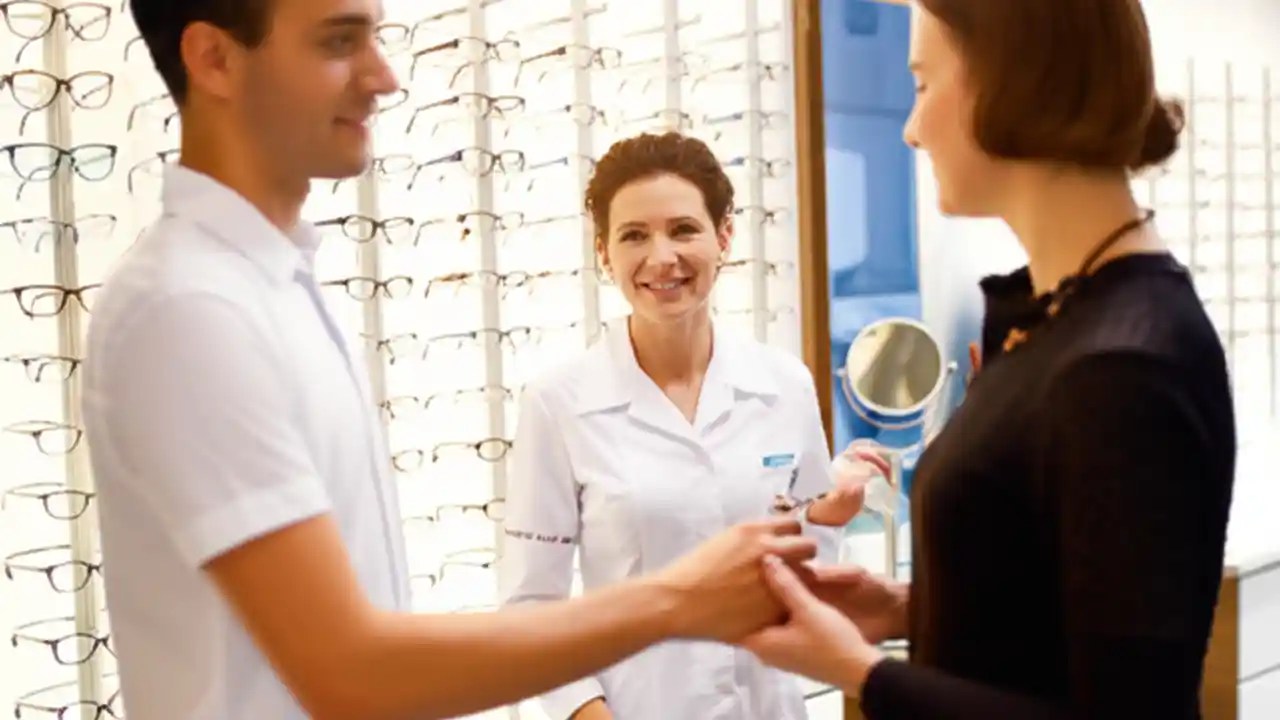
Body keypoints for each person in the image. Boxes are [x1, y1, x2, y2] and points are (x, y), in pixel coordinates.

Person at [79, 2, 822, 718]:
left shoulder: (281, 291)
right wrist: (680, 601)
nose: (385, 76)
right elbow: (350, 672)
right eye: (338, 42)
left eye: (375, 37)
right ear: (215, 59)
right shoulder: (189, 309)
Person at [736, 1, 1238, 719]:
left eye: (922, 85)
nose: (911, 129)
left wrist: (860, 672)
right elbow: (1066, 620)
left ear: (1012, 79)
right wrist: (911, 607)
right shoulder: (1059, 323)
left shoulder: (1121, 365)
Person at [497, 132, 874, 720]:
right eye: (633, 235)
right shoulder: (559, 403)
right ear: (604, 253)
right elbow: (531, 605)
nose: (661, 257)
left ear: (724, 237)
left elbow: (807, 580)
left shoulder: (784, 384)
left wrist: (828, 518)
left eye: (683, 229)